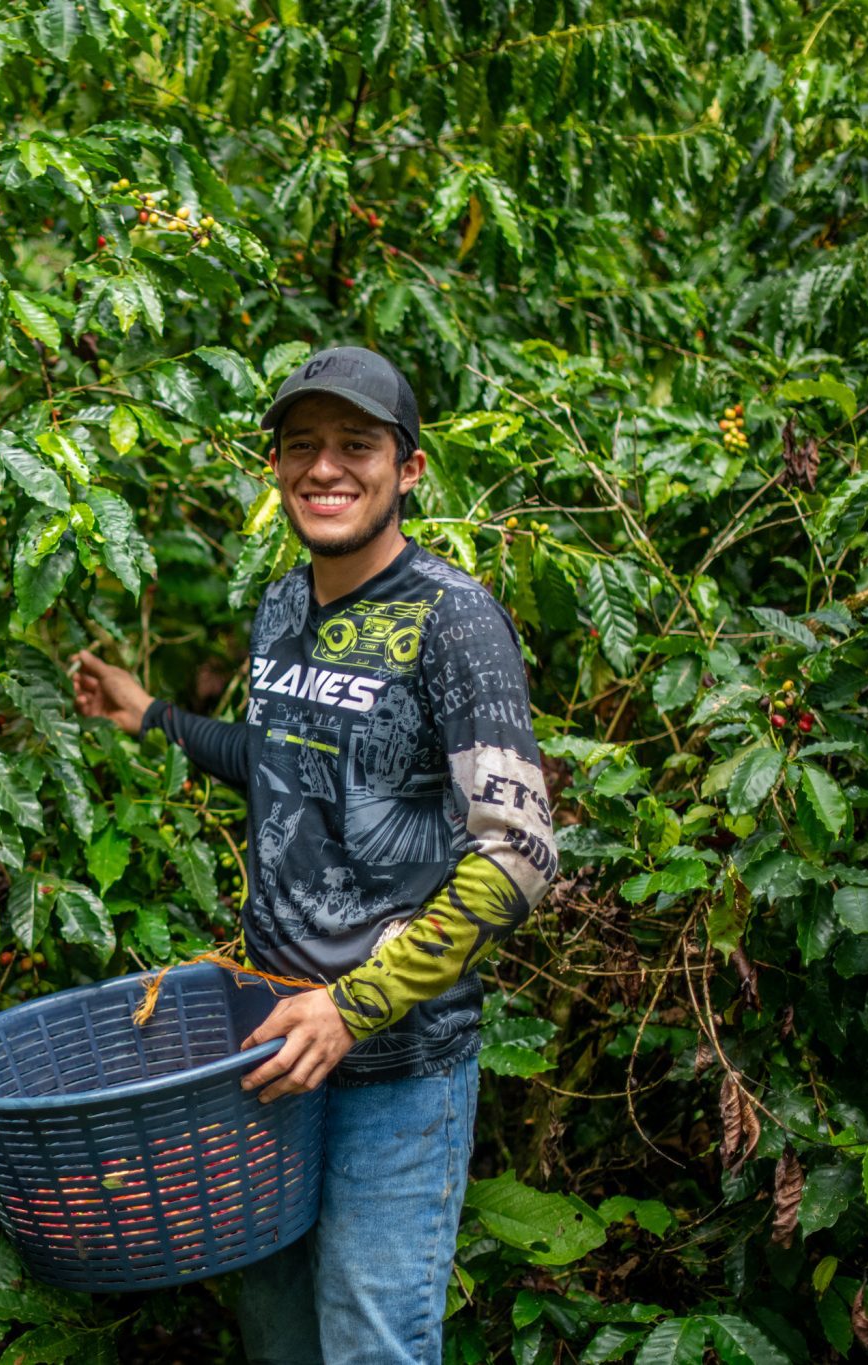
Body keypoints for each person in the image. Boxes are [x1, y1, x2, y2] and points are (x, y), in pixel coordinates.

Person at [71, 346, 558, 1365]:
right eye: (301, 446)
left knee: (373, 1346)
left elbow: (517, 854)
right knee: (279, 1341)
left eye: (354, 445)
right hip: (268, 1056)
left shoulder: (453, 619)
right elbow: (285, 762)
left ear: (407, 468)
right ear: (277, 468)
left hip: (396, 1065)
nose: (324, 467)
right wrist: (152, 716)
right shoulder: (284, 604)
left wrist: (351, 1007)